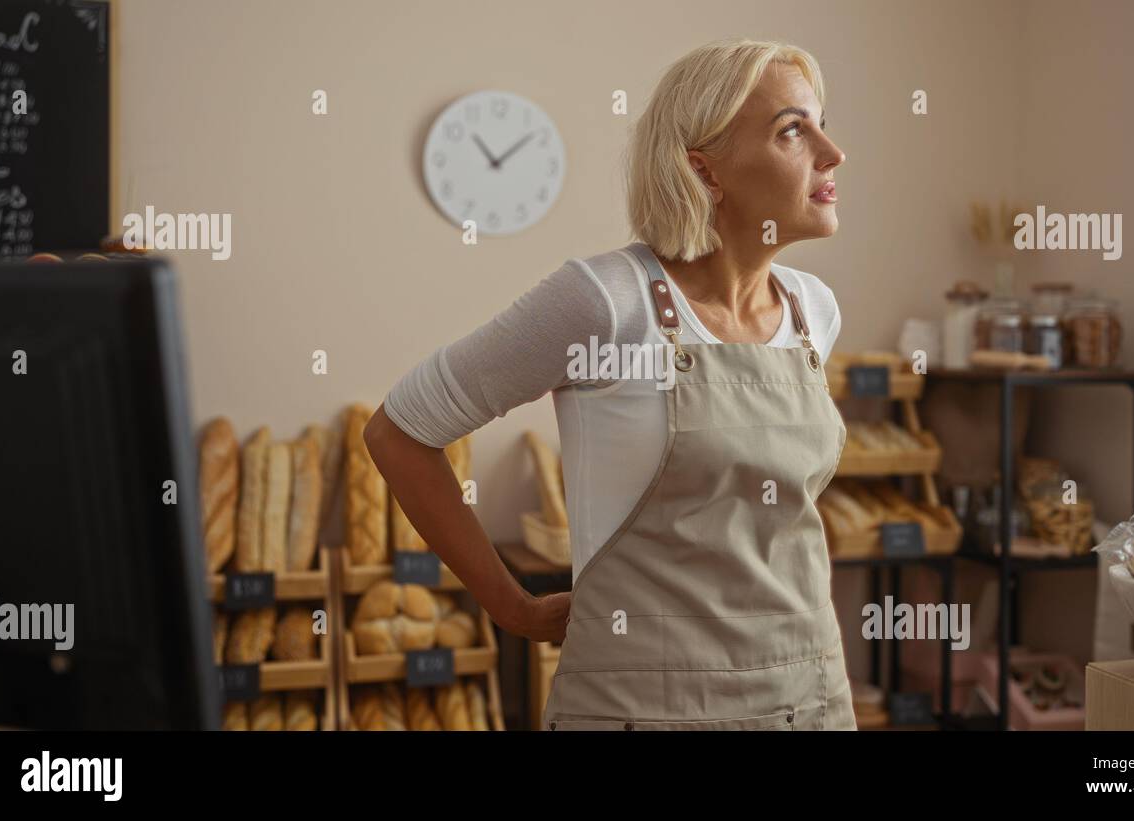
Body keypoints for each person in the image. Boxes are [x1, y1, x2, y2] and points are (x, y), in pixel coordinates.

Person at [364, 37, 854, 730]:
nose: (833, 153)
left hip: (808, 702)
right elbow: (399, 432)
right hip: (640, 712)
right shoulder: (607, 301)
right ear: (704, 170)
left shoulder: (814, 311)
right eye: (793, 131)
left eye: (822, 123)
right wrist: (510, 605)